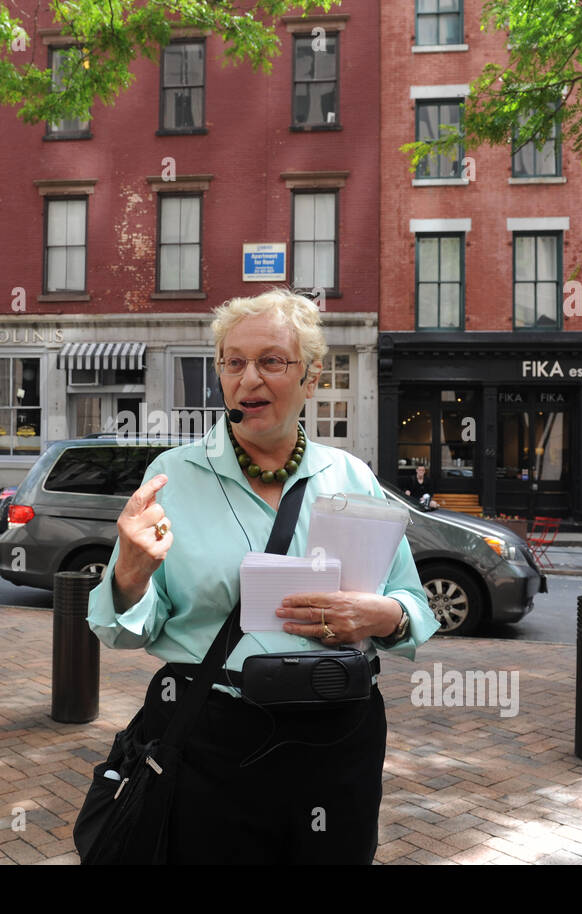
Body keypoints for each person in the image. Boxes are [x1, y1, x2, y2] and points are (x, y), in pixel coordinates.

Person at [86, 289, 438, 864]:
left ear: (311, 377)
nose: (249, 378)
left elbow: (414, 605)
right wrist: (129, 572)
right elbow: (126, 631)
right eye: (233, 362)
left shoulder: (350, 475)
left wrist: (384, 615)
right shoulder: (173, 476)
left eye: (272, 361)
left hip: (339, 734)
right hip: (217, 734)